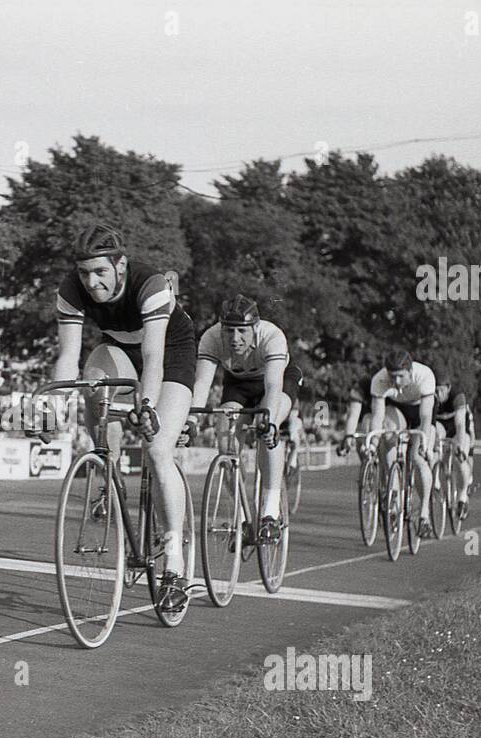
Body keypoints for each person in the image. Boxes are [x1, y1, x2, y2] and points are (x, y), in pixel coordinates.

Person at [50, 222, 197, 608]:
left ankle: (176, 565)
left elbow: (153, 358)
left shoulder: (150, 284)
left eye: (100, 271)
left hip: (169, 354)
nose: (92, 281)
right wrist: (52, 406)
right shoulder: (70, 289)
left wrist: (145, 405)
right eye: (84, 273)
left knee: (158, 450)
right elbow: (68, 356)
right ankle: (109, 475)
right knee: (92, 381)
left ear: (121, 265)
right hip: (118, 349)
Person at [189, 294, 300, 543]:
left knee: (268, 429)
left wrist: (269, 422)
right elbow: (202, 383)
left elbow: (273, 387)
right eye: (229, 331)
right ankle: (240, 514)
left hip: (275, 381)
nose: (235, 339)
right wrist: (192, 420)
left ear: (255, 327)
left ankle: (270, 511)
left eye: (242, 331)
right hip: (238, 383)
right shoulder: (211, 338)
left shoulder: (272, 336)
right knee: (225, 437)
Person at [357, 350, 439, 536]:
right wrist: (372, 443)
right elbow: (378, 417)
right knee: (387, 431)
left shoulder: (424, 375)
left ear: (410, 371)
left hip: (421, 410)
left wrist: (424, 444)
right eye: (393, 377)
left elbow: (426, 417)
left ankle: (424, 514)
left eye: (401, 377)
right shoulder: (379, 379)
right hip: (398, 409)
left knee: (418, 458)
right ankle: (393, 490)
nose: (397, 382)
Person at [432, 367, 475, 522]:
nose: (437, 394)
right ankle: (435, 481)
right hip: (441, 425)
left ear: (448, 388)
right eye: (434, 390)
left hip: (459, 425)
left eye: (440, 390)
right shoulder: (431, 397)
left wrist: (459, 445)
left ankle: (463, 495)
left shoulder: (457, 397)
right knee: (434, 438)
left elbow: (460, 426)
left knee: (461, 455)